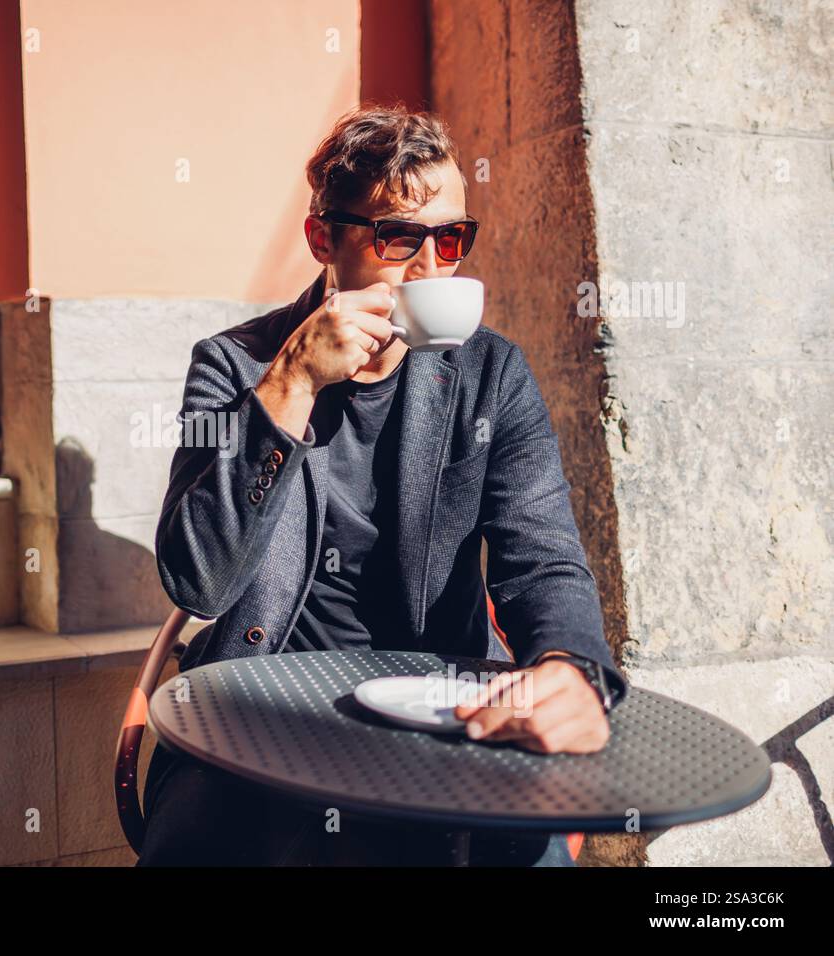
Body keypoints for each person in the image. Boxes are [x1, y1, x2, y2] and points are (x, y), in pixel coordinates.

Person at [139, 103, 628, 867]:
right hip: (261, 715)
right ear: (323, 240)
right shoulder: (236, 365)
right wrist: (292, 384)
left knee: (535, 859)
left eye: (453, 239)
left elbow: (544, 557)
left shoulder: (490, 375)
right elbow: (197, 580)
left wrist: (567, 668)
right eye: (401, 238)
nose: (434, 268)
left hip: (441, 711)